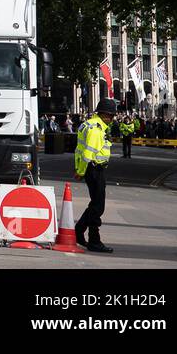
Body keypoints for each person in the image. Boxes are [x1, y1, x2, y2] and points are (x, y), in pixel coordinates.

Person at [74, 98, 117, 253]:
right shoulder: (96, 129)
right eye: (111, 116)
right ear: (105, 115)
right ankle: (94, 240)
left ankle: (78, 231)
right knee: (98, 206)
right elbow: (87, 154)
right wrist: (80, 172)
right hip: (94, 169)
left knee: (95, 204)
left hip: (92, 169)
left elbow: (79, 150)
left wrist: (80, 170)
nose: (112, 119)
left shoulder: (89, 124)